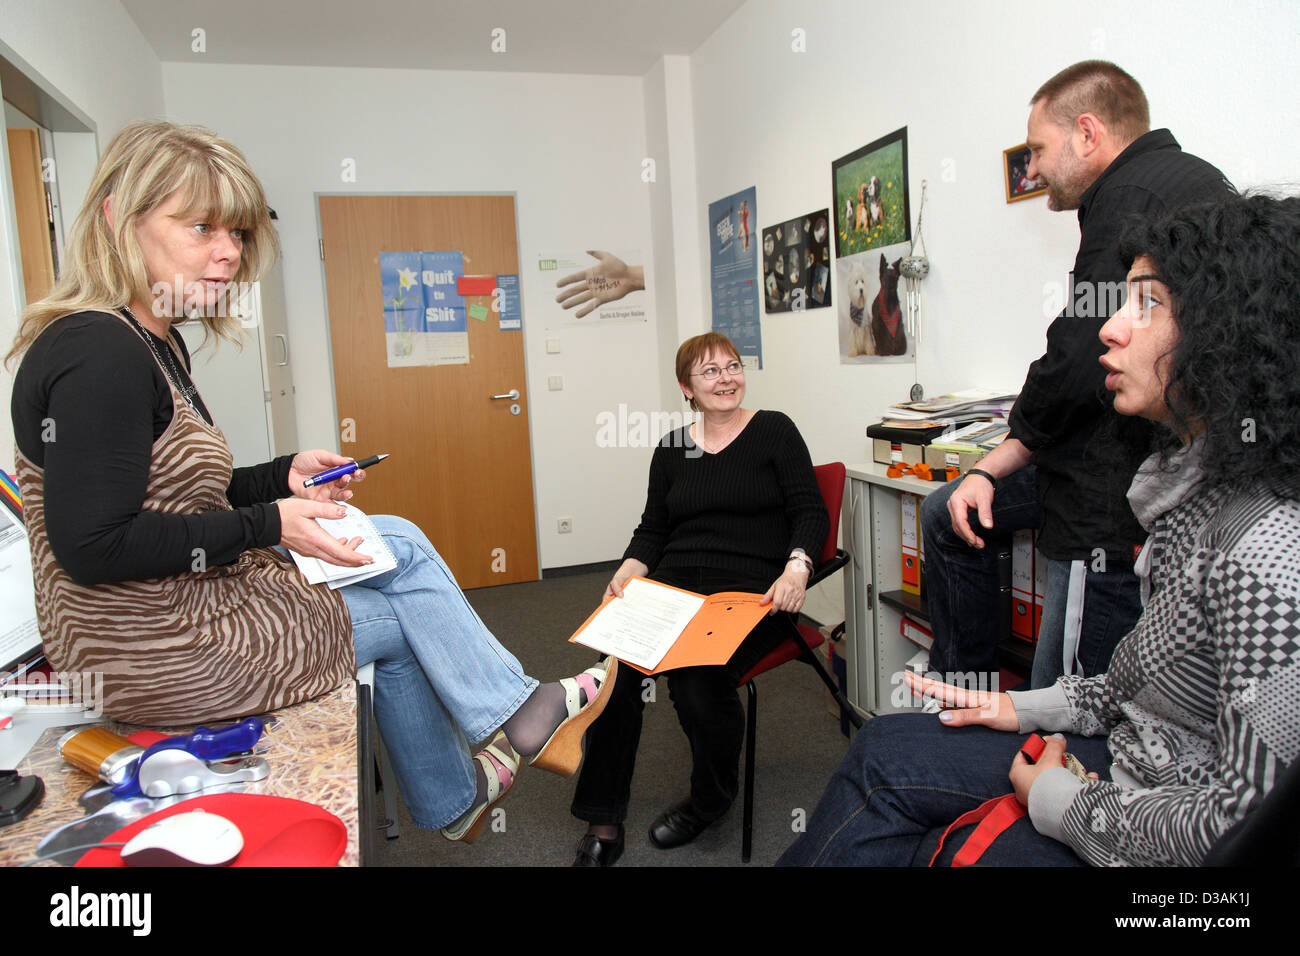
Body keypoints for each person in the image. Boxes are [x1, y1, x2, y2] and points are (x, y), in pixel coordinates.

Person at [6, 120, 617, 842]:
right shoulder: (96, 349)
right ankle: (502, 739)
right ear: (116, 216)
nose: (228, 251)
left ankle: (494, 748)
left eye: (234, 231)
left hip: (182, 611)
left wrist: (279, 477)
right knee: (402, 621)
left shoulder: (151, 340)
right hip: (155, 653)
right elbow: (93, 544)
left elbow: (173, 493)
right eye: (200, 226)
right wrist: (272, 522)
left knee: (396, 542)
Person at [780, 193, 1300, 867]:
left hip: (1154, 813)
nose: (1110, 330)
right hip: (1130, 761)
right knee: (885, 746)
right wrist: (1019, 709)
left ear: (1231, 331)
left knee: (941, 849)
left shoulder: (1266, 550)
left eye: (1146, 304)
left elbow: (1238, 827)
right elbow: (1131, 688)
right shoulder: (1190, 490)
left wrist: (1058, 799)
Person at [922, 61, 1234, 689]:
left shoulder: (1131, 195)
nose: (1030, 168)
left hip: (1112, 488)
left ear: (1087, 133)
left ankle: (991, 722)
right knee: (944, 513)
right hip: (1136, 456)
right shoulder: (1180, 178)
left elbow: (1078, 347)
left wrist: (996, 458)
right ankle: (963, 695)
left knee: (1061, 702)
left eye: (1037, 149)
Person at [569, 332, 828, 865]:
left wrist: (798, 565)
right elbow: (653, 528)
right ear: (687, 387)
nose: (725, 378)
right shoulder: (671, 448)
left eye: (732, 366)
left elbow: (810, 510)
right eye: (709, 372)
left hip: (750, 595)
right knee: (615, 672)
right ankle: (603, 818)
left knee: (696, 680)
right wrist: (630, 568)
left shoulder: (775, 430)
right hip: (673, 590)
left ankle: (711, 798)